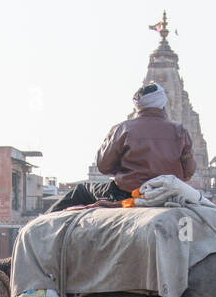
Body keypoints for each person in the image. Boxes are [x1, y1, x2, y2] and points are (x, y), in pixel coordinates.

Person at [48, 82, 195, 212]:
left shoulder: (123, 129)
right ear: (162, 104)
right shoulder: (180, 130)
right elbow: (188, 172)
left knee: (81, 190)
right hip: (169, 194)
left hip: (127, 193)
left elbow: (103, 166)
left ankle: (43, 225)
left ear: (137, 105)